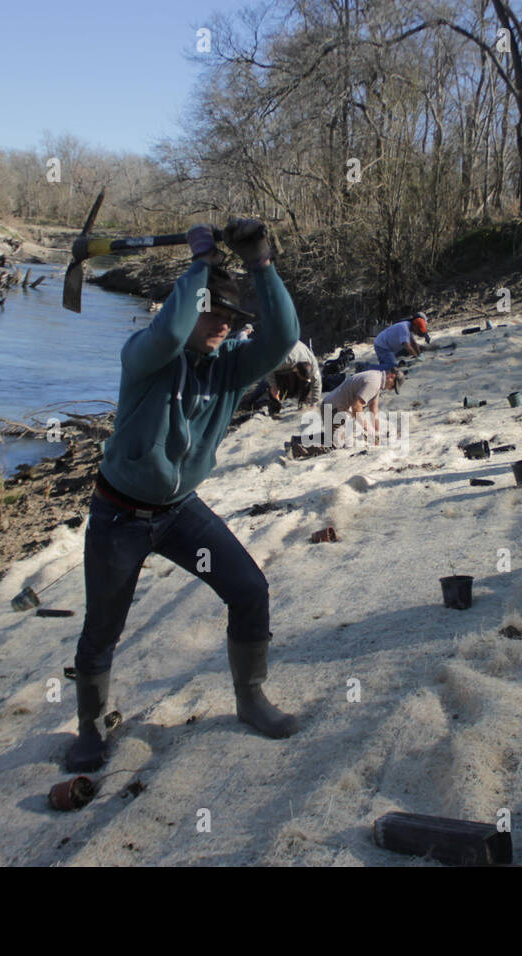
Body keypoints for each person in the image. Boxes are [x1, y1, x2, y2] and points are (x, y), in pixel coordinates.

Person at [66, 217, 300, 773]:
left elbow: (284, 337)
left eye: (231, 315)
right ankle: (91, 729)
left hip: (178, 513)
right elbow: (171, 333)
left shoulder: (231, 367)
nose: (223, 322)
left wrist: (261, 263)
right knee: (103, 627)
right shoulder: (146, 356)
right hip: (118, 515)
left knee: (249, 589)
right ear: (190, 306)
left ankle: (251, 699)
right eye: (211, 311)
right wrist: (198, 266)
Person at [320, 367, 398, 446]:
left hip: (337, 408)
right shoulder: (374, 383)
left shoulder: (377, 378)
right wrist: (369, 430)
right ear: (391, 376)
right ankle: (308, 446)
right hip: (333, 409)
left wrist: (376, 432)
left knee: (344, 439)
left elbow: (373, 407)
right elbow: (356, 407)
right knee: (338, 445)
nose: (390, 390)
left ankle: (323, 437)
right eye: (392, 386)